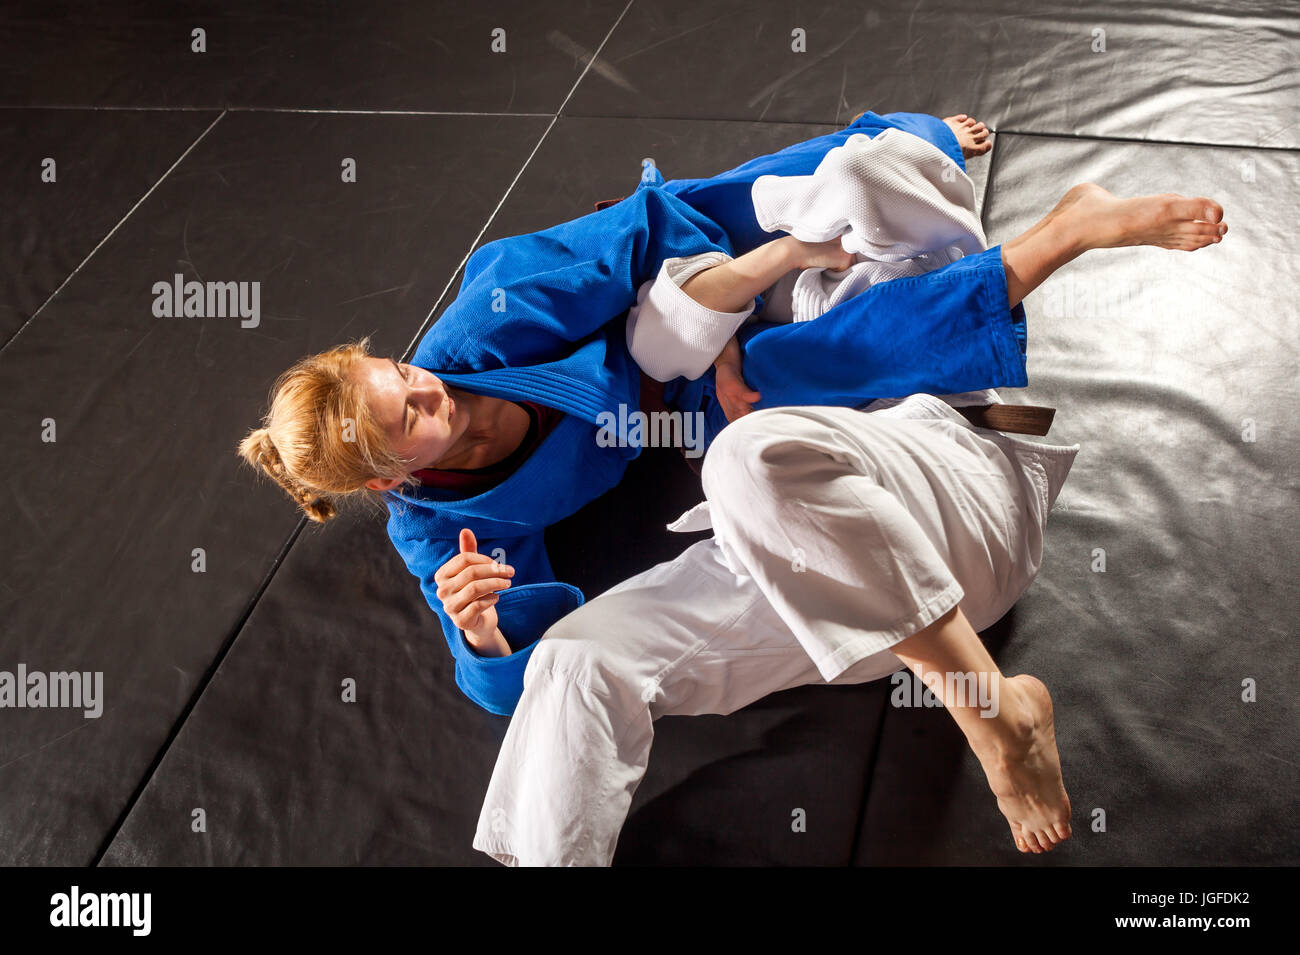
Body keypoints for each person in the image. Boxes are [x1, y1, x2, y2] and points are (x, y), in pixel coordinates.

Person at [237, 108, 1227, 860]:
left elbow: (706, 210)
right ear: (387, 480)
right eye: (404, 418)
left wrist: (887, 146)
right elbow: (496, 676)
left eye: (403, 375)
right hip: (845, 596)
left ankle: (989, 709)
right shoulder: (448, 517)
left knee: (757, 413)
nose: (428, 392)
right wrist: (490, 631)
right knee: (576, 663)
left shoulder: (505, 315)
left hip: (956, 497)